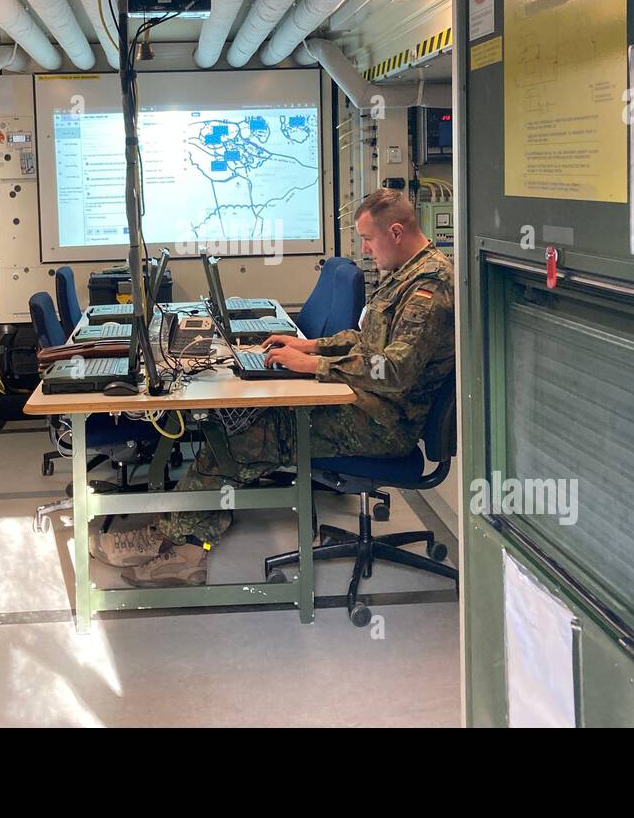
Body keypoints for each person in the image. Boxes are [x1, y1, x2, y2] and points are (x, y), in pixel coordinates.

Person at [89, 188, 455, 586]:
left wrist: (313, 364)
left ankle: (179, 548)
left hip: (384, 425)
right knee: (238, 430)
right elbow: (368, 341)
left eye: (368, 239)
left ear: (396, 232)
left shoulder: (429, 287)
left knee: (242, 438)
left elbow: (394, 368)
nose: (366, 249)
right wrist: (309, 344)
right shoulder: (406, 273)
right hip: (366, 406)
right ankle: (185, 534)